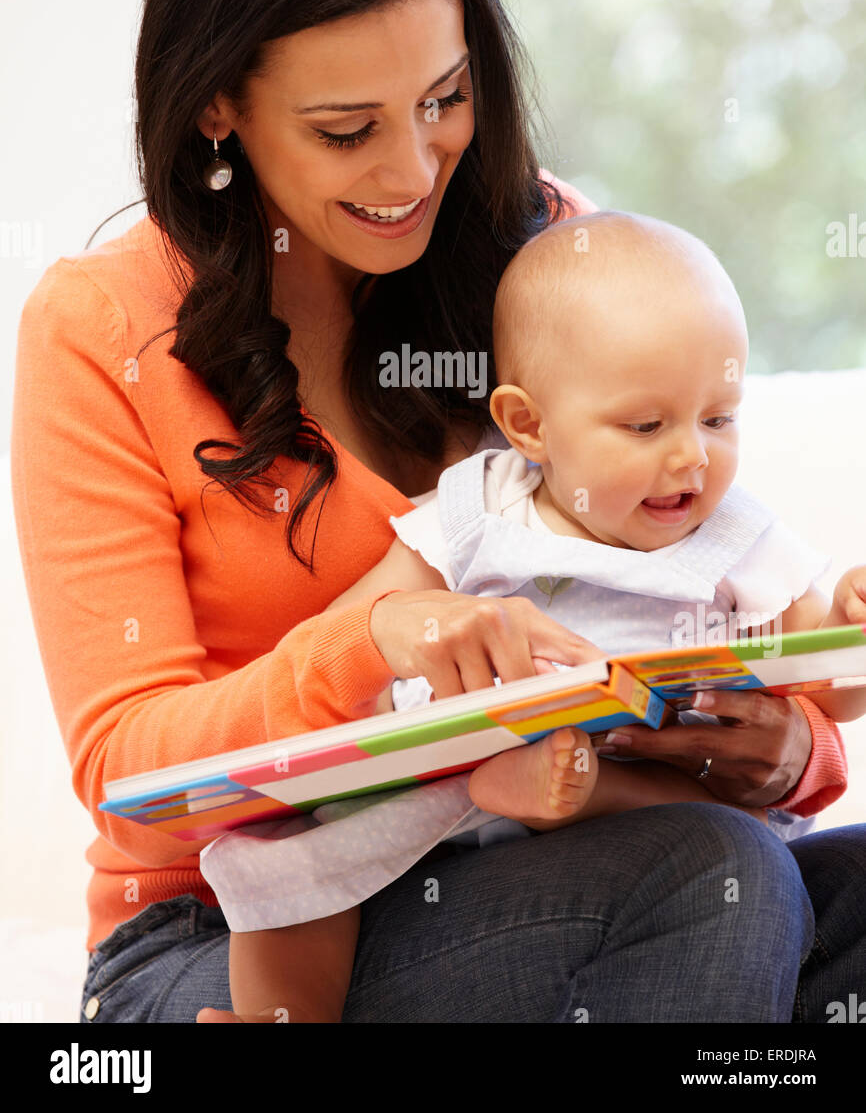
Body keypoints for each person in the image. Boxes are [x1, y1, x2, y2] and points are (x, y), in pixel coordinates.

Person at [10, 0, 861, 1025]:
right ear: (216, 108)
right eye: (345, 128)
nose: (413, 171)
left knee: (773, 877)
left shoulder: (544, 258)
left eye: (444, 98)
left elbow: (694, 566)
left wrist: (784, 749)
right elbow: (127, 765)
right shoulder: (100, 329)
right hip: (237, 933)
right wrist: (374, 640)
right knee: (709, 884)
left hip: (565, 848)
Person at [195, 210, 866, 1023]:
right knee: (301, 864)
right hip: (453, 797)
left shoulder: (734, 533)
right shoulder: (482, 509)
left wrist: (853, 625)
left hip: (643, 792)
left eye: (719, 418)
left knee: (726, 837)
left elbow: (825, 681)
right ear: (528, 426)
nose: (692, 455)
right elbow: (361, 624)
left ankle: (573, 793)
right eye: (646, 426)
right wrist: (408, 639)